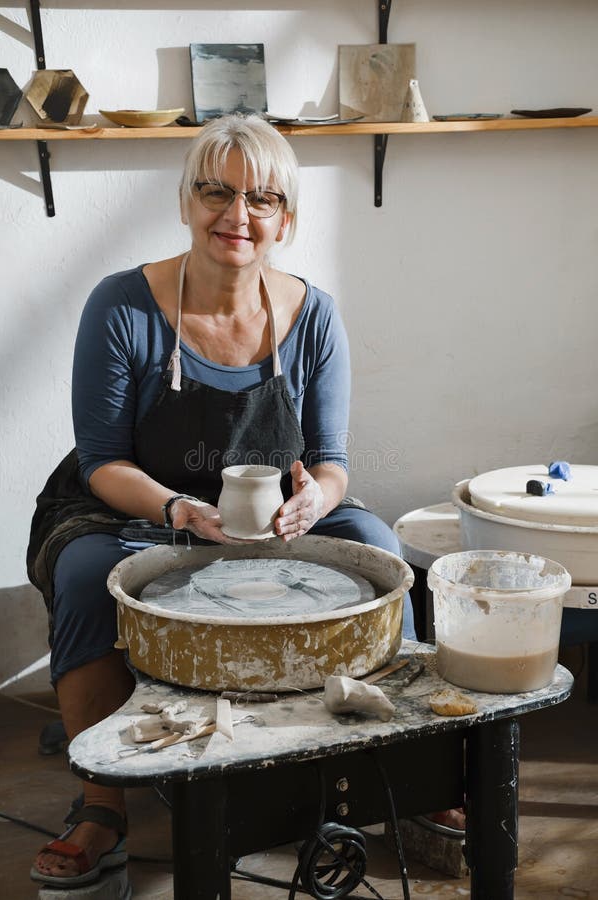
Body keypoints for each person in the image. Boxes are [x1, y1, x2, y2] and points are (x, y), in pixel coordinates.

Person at [27, 113, 417, 887]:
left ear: (287, 219)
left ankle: (392, 780)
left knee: (379, 548)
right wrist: (177, 509)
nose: (236, 215)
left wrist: (315, 502)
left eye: (262, 198)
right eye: (216, 191)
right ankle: (103, 804)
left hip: (271, 507)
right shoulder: (123, 305)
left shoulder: (314, 315)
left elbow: (331, 462)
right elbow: (103, 460)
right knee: (80, 575)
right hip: (137, 502)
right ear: (185, 201)